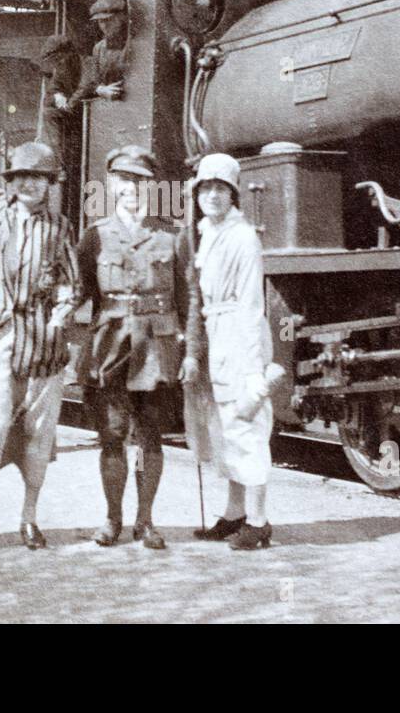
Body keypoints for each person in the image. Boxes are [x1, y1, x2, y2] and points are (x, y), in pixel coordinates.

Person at [0, 141, 80, 553]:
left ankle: (29, 518)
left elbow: (71, 281)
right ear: (11, 181)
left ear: (49, 184)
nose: (28, 184)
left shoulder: (59, 227)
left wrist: (62, 309)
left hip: (42, 340)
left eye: (37, 178)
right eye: (21, 176)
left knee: (38, 434)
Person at [77, 145, 190, 549]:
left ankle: (145, 521)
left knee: (151, 436)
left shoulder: (171, 235)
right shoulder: (95, 235)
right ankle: (112, 519)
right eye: (124, 180)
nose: (132, 188)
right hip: (111, 345)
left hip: (155, 349)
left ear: (151, 186)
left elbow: (186, 297)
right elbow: (78, 293)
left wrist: (188, 347)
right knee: (111, 434)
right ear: (111, 184)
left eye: (140, 181)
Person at [183, 153, 275, 550]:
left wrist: (254, 369)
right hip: (217, 335)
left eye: (222, 189)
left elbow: (252, 307)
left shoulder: (242, 237)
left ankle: (258, 521)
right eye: (207, 188)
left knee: (246, 425)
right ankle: (235, 513)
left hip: (239, 335)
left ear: (234, 195)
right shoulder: (210, 234)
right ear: (198, 194)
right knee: (223, 428)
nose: (214, 195)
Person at [60, 0, 129, 110]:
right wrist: (100, 90)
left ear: (122, 18)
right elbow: (92, 81)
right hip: (107, 107)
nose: (104, 26)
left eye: (108, 20)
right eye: (100, 21)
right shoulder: (99, 48)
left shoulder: (132, 44)